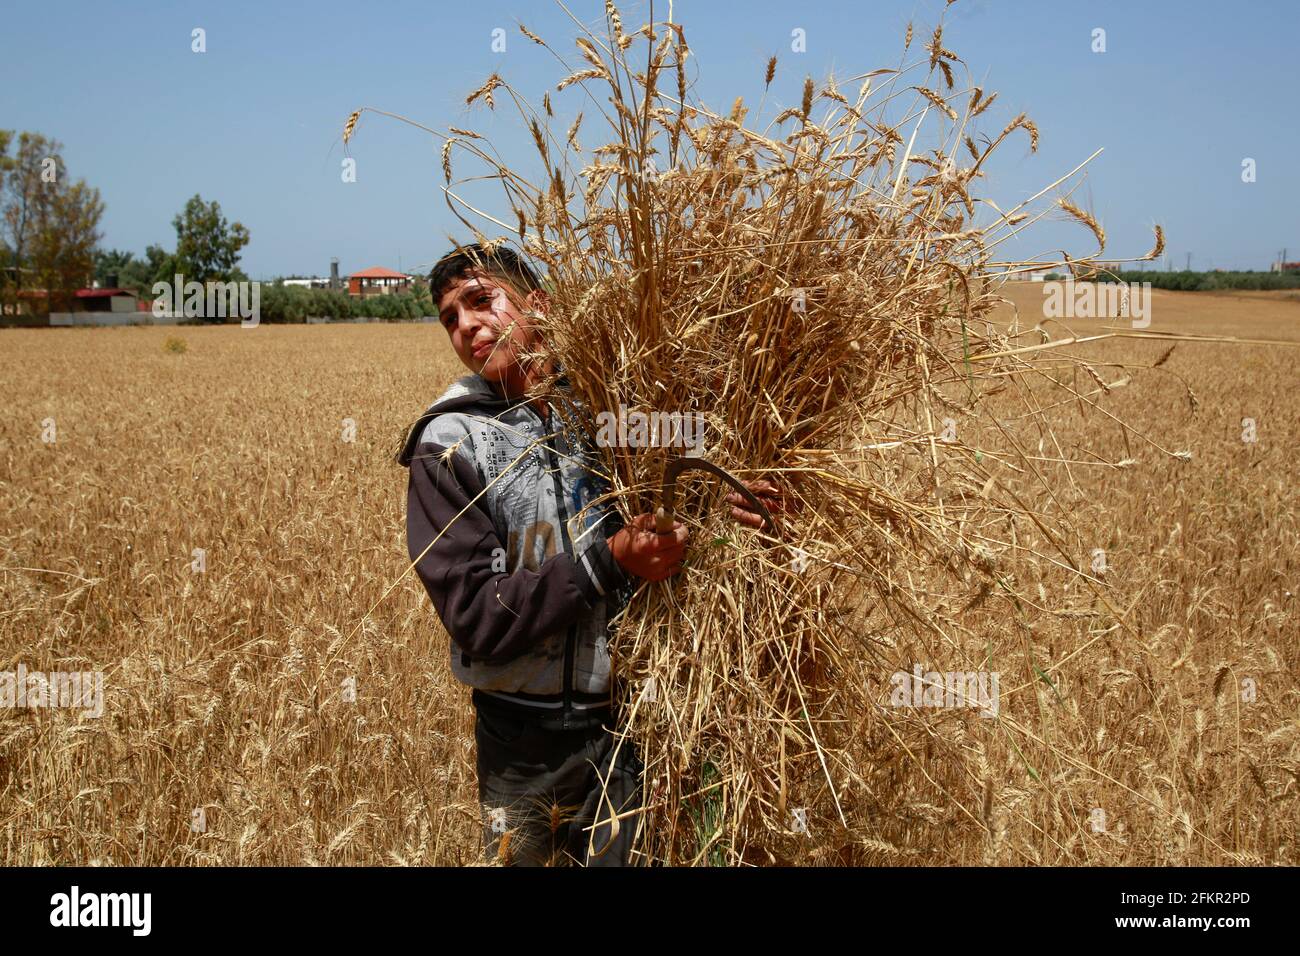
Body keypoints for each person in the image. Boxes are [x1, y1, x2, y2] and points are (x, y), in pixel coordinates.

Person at [397, 242, 785, 866]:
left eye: (480, 301)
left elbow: (677, 494)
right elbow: (475, 612)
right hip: (520, 744)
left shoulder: (605, 413)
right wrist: (610, 559)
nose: (466, 326)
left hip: (624, 730)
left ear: (538, 306)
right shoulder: (449, 442)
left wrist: (732, 504)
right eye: (449, 318)